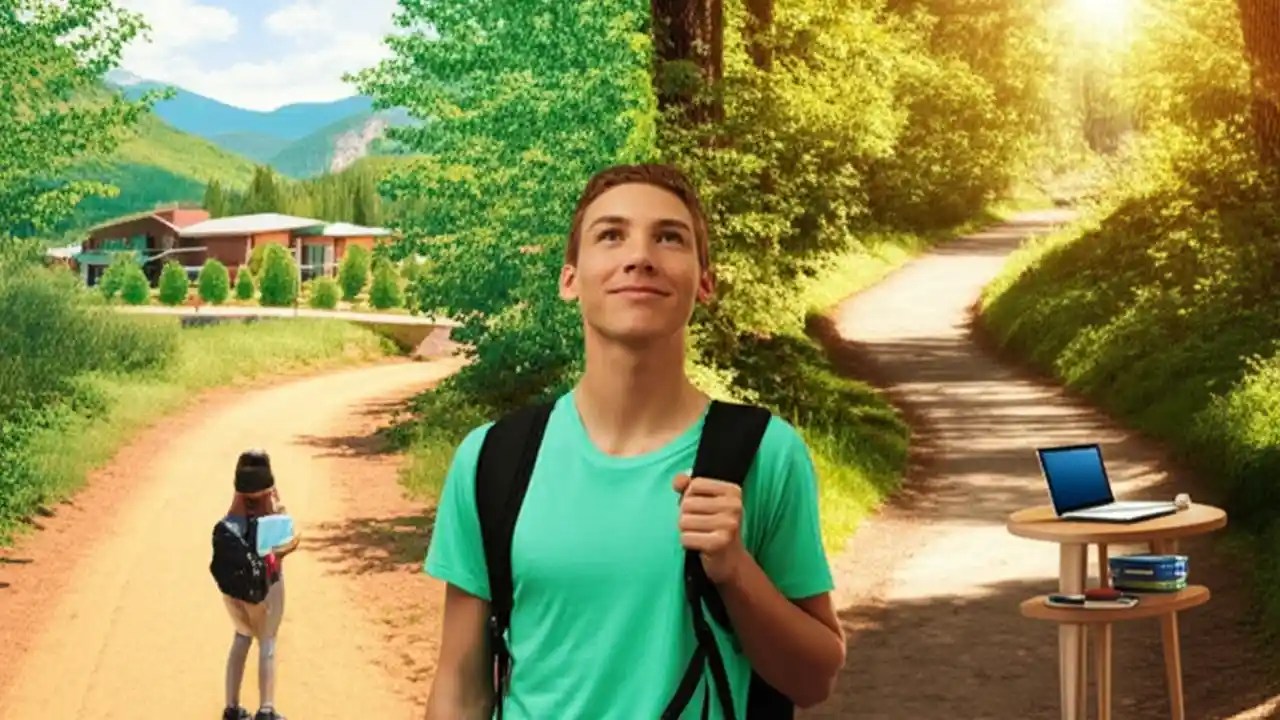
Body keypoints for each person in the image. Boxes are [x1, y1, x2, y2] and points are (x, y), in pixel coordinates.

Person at [422, 163, 846, 719]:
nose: (640, 256)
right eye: (611, 235)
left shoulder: (762, 454)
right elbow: (459, 682)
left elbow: (814, 679)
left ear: (705, 281)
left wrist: (735, 570)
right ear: (570, 279)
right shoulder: (493, 459)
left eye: (669, 237)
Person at [219, 449, 300, 720]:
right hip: (265, 589)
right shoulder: (271, 522)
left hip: (232, 593)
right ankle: (266, 709)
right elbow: (289, 541)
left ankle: (232, 707)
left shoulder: (229, 522)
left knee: (241, 637)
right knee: (267, 641)